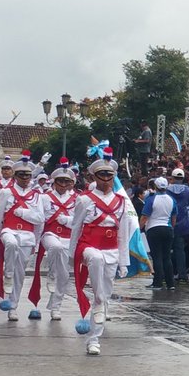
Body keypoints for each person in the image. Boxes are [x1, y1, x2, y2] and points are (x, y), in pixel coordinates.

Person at [68, 152, 135, 356]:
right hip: (89, 245)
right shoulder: (84, 200)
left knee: (104, 296)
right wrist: (72, 255)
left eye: (109, 175)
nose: (105, 179)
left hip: (111, 250)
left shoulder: (121, 202)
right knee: (96, 265)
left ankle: (94, 338)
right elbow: (76, 227)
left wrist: (124, 261)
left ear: (113, 177)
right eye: (101, 175)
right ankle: (97, 299)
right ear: (94, 178)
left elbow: (123, 233)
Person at [0, 151, 45, 321]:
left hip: (27, 235)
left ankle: (13, 306)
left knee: (20, 274)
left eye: (27, 175)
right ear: (15, 175)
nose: (24, 178)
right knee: (11, 244)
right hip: (9, 230)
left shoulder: (37, 196)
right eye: (21, 175)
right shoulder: (6, 192)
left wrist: (23, 213)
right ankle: (7, 273)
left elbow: (40, 219)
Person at [30, 160, 77, 320]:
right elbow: (38, 219)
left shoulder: (77, 199)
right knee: (55, 248)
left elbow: (81, 222)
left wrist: (68, 221)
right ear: (54, 182)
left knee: (64, 276)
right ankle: (50, 274)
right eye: (60, 181)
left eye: (66, 181)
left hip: (68, 238)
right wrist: (34, 242)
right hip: (49, 235)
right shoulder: (44, 198)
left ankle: (55, 306)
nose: (63, 184)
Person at [141, 177, 177, 291]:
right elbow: (174, 217)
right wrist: (171, 227)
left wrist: (139, 228)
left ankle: (157, 282)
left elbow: (145, 216)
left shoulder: (151, 199)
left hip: (153, 229)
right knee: (167, 257)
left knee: (157, 257)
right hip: (167, 229)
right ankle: (170, 283)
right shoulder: (172, 199)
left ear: (155, 187)